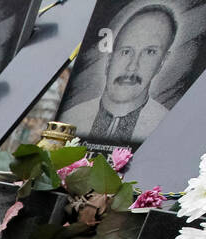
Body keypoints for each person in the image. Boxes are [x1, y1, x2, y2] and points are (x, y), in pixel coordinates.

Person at [60, 3, 177, 146]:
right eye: (126, 51)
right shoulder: (70, 118)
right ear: (109, 59)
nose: (132, 66)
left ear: (162, 62)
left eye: (149, 52)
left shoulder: (168, 127)